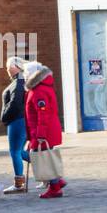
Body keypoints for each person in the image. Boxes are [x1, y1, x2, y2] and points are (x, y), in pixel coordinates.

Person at [24, 62, 66, 200]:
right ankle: (57, 181)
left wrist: (40, 134)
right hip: (46, 129)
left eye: (26, 73)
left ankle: (55, 187)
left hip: (43, 131)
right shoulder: (42, 87)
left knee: (42, 158)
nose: (24, 76)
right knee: (46, 156)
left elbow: (43, 113)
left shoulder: (38, 91)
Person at [0, 57, 28, 193]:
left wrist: (5, 116)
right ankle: (48, 174)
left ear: (16, 67)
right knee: (21, 152)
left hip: (17, 121)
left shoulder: (18, 83)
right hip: (20, 121)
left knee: (15, 152)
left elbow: (15, 104)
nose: (6, 69)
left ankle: (18, 185)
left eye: (8, 66)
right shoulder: (20, 82)